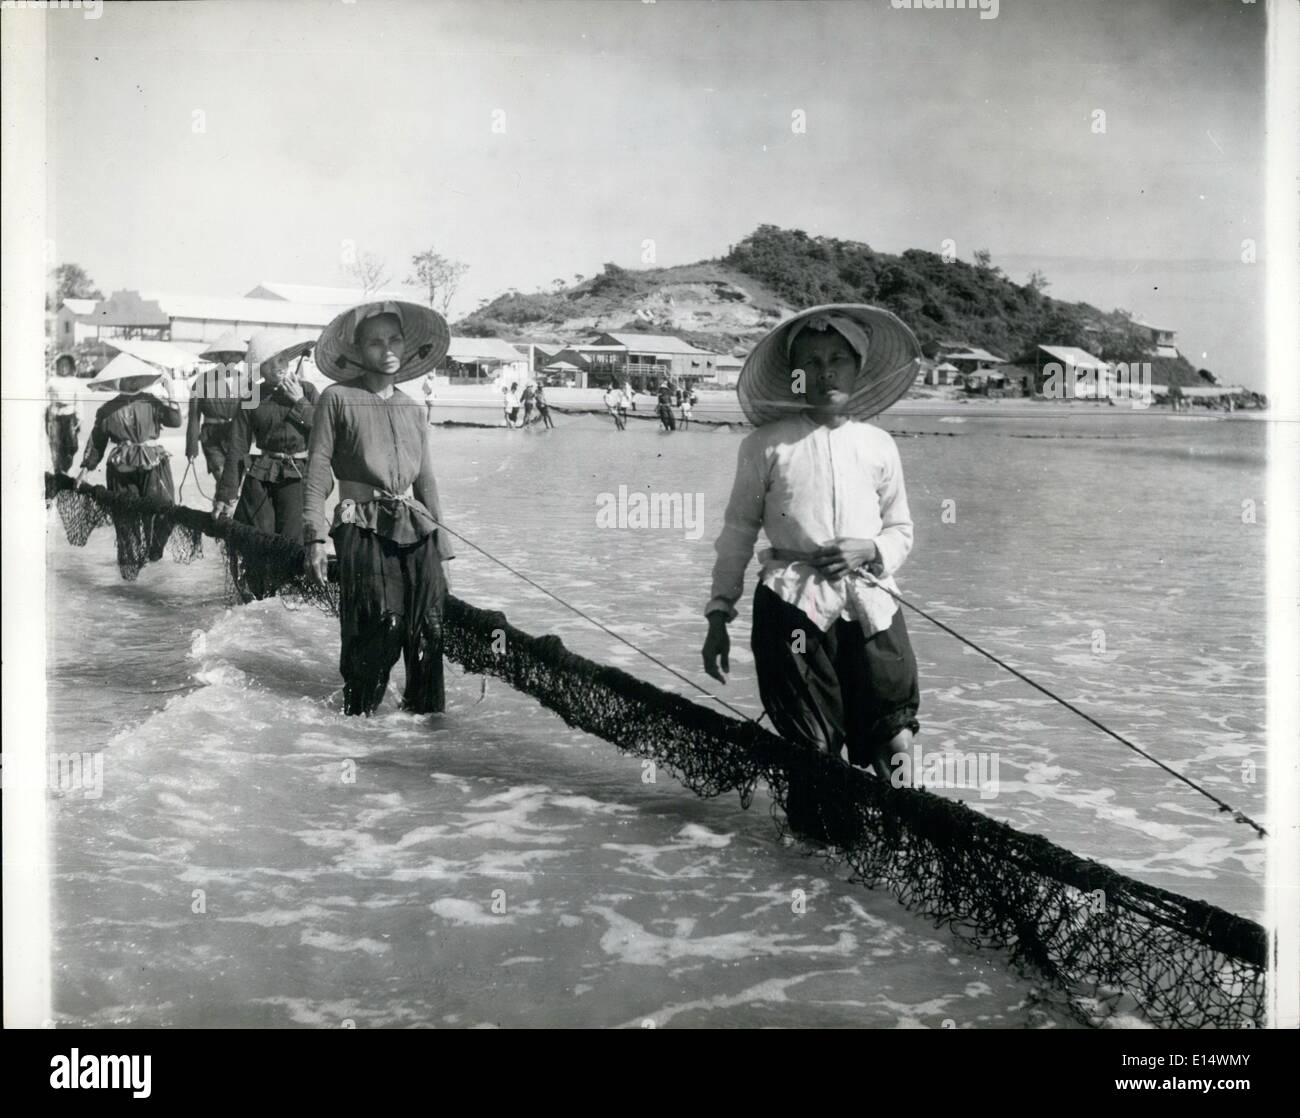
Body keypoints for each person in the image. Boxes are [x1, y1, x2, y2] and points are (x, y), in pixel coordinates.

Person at [701, 305, 923, 841]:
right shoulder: (765, 445)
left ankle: (905, 842)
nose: (826, 373)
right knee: (813, 743)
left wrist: (868, 548)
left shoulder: (878, 445)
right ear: (794, 373)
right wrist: (718, 613)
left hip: (872, 602)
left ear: (858, 368)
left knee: (893, 730)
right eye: (812, 362)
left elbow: (901, 529)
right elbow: (737, 531)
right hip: (791, 604)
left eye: (838, 359)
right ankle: (818, 867)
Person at [304, 300, 454, 716]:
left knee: (430, 631)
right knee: (383, 623)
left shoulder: (413, 407)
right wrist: (314, 537)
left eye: (394, 339)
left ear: (405, 347)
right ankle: (358, 723)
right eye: (375, 342)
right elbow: (317, 470)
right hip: (361, 525)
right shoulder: (336, 399)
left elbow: (425, 481)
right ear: (356, 350)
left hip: (414, 526)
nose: (386, 349)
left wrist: (442, 549)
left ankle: (423, 732)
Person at [214, 331, 319, 597]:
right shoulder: (252, 396)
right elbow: (238, 447)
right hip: (261, 474)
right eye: (271, 363)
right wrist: (225, 495)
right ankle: (259, 602)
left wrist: (300, 402)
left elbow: (326, 433)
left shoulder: (307, 390)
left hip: (298, 477)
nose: (279, 368)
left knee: (292, 542)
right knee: (254, 536)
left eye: (282, 360)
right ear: (259, 368)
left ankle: (289, 604)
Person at [74, 357, 183, 573]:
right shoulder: (106, 410)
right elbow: (97, 442)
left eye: (137, 378)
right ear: (118, 381)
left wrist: (171, 392)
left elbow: (175, 421)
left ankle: (154, 555)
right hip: (120, 467)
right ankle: (131, 565)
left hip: (153, 463)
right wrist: (85, 470)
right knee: (125, 518)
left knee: (164, 510)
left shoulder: (153, 402)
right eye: (128, 379)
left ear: (142, 380)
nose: (132, 383)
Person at [187, 332, 247, 487]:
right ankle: (225, 509)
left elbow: (252, 415)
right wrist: (191, 448)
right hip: (212, 437)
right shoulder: (202, 381)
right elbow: (194, 417)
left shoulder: (247, 382)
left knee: (235, 481)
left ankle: (224, 511)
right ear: (219, 356)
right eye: (228, 353)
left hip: (237, 436)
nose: (232, 358)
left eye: (236, 354)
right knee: (222, 477)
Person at [46, 352, 81, 474]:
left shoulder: (75, 381)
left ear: (71, 367)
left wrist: (80, 417)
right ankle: (57, 469)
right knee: (56, 443)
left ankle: (66, 467)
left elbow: (79, 400)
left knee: (71, 445)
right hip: (54, 416)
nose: (63, 368)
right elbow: (44, 397)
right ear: (57, 366)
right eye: (61, 365)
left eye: (66, 365)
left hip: (70, 415)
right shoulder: (52, 381)